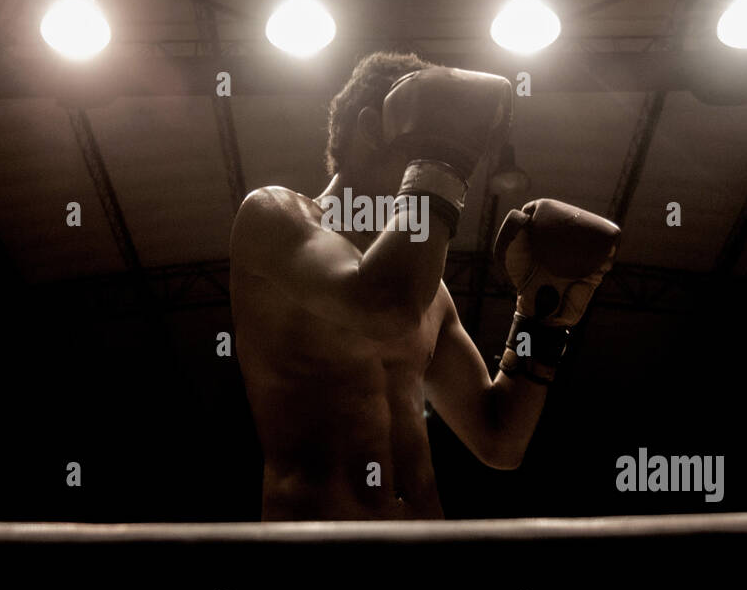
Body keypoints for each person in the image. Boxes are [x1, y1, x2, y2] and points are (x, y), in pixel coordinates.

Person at [230, 52, 620, 520]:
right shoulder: (274, 217)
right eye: (431, 136)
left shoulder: (427, 292)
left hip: (427, 552)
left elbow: (500, 440)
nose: (461, 171)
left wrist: (541, 318)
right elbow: (382, 307)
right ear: (373, 127)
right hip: (315, 557)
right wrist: (441, 159)